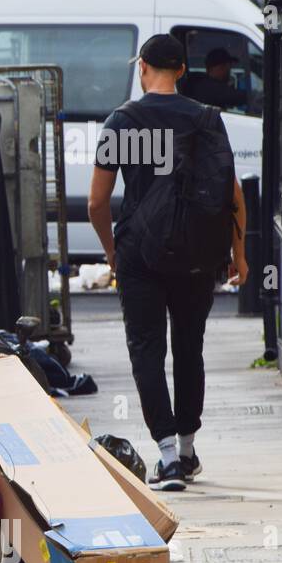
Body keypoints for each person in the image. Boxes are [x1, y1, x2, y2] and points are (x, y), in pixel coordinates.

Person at [88, 33, 250, 492]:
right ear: (181, 71)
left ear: (143, 67)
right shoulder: (205, 121)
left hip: (140, 252)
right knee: (188, 347)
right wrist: (239, 254)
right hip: (197, 254)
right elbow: (232, 194)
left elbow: (97, 203)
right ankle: (187, 449)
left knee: (146, 350)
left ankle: (165, 458)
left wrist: (112, 251)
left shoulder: (122, 122)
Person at [182, 47, 246, 110]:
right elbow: (237, 97)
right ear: (220, 67)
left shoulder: (200, 82)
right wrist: (253, 95)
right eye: (227, 66)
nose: (229, 70)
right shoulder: (211, 87)